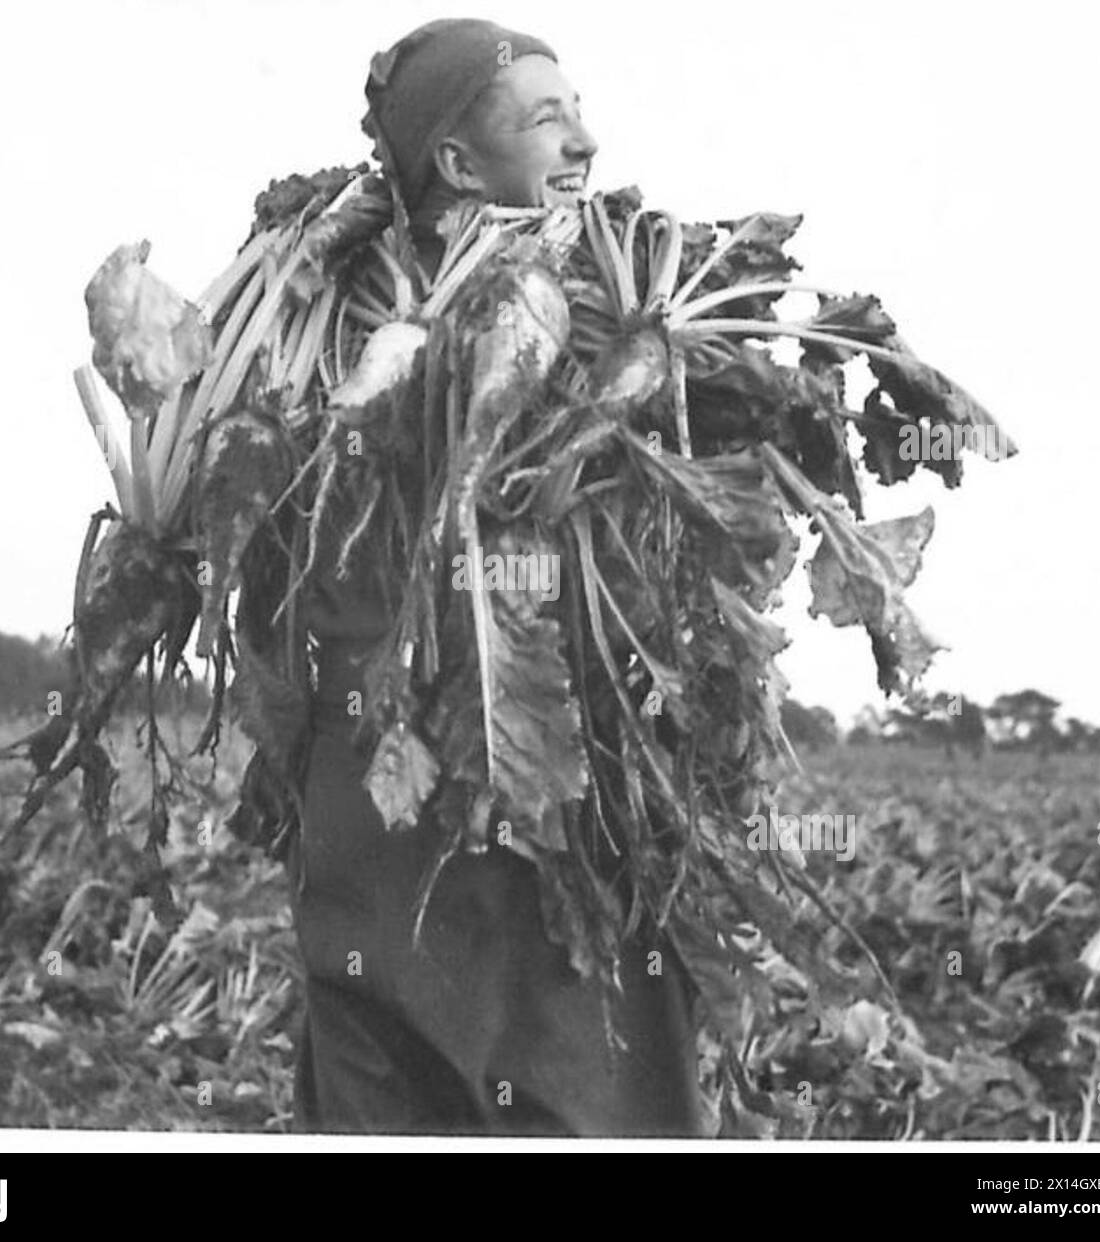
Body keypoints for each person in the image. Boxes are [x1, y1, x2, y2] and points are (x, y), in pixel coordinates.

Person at [287, 17, 706, 1137]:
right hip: (399, 836)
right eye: (545, 119)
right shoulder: (337, 339)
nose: (583, 142)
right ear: (460, 168)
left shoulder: (618, 302)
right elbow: (289, 602)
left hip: (564, 810)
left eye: (577, 111)